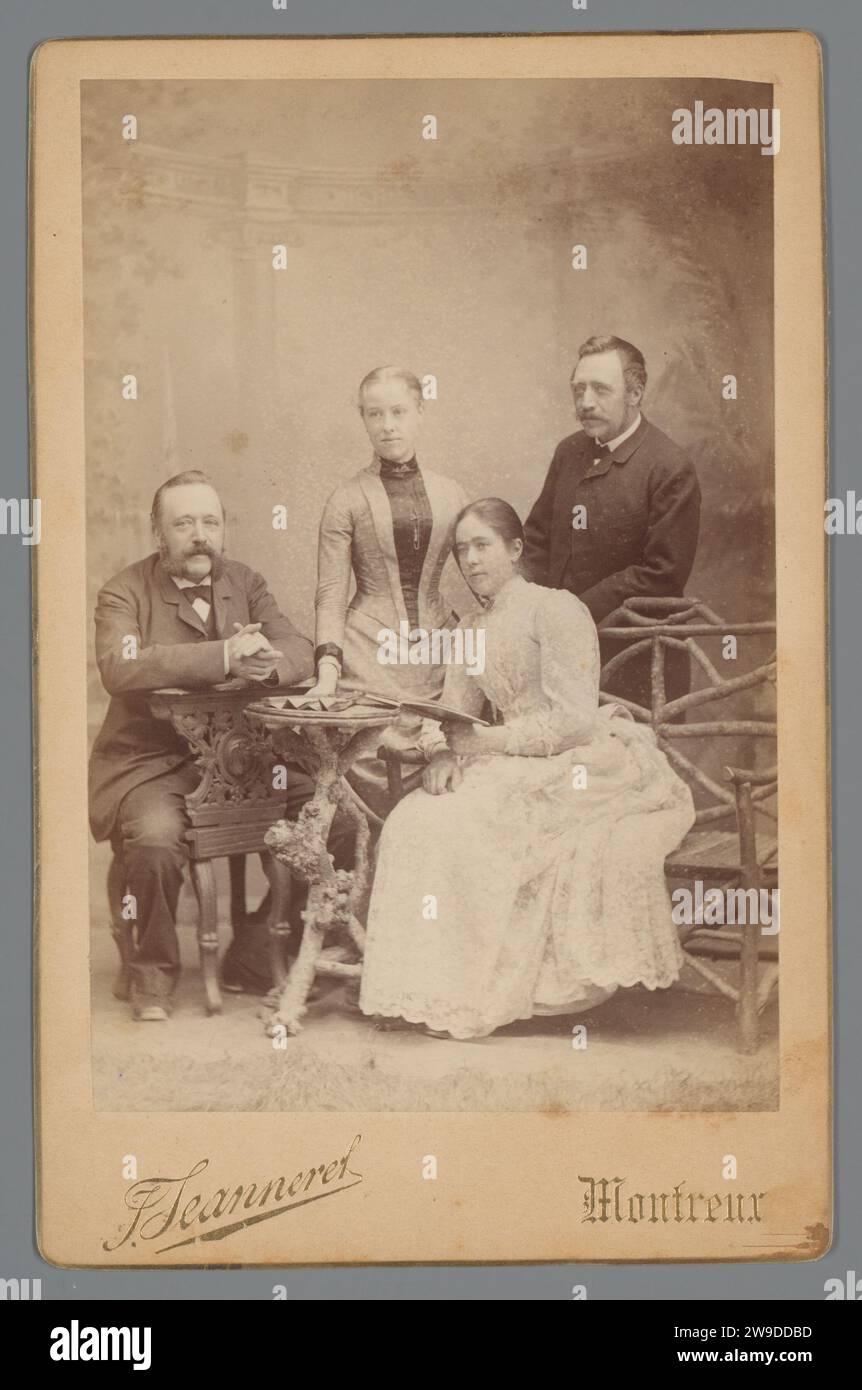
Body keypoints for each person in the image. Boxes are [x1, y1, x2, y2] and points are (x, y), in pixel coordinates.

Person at [359, 498, 696, 1041]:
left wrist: (484, 743)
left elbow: (574, 720)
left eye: (482, 546)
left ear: (515, 550)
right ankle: (427, 992)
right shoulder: (469, 625)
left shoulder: (555, 609)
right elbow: (454, 710)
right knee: (413, 821)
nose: (470, 560)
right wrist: (444, 751)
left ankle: (480, 995)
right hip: (504, 753)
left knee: (473, 822)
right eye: (461, 550)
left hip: (577, 760)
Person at [89, 469, 352, 1020]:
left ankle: (253, 951)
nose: (199, 534)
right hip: (154, 763)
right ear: (158, 532)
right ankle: (154, 976)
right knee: (157, 841)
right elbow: (121, 664)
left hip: (242, 758)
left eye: (210, 521)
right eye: (183, 523)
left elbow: (299, 648)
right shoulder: (124, 591)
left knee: (339, 820)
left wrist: (266, 661)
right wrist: (224, 658)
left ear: (224, 529)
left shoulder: (245, 583)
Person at [308, 365, 470, 816]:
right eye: (374, 414)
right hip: (367, 657)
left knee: (454, 787)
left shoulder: (452, 494)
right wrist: (327, 670)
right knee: (359, 776)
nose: (388, 425)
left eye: (399, 411)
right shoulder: (346, 498)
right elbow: (331, 592)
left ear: (420, 412)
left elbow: (485, 580)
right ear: (363, 419)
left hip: (439, 652)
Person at [523, 335, 701, 711]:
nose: (585, 403)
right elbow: (537, 539)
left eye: (601, 390)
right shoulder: (569, 452)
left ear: (635, 394)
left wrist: (571, 612)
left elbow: (662, 573)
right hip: (561, 655)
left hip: (637, 658)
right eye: (579, 389)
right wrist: (529, 607)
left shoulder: (669, 466)